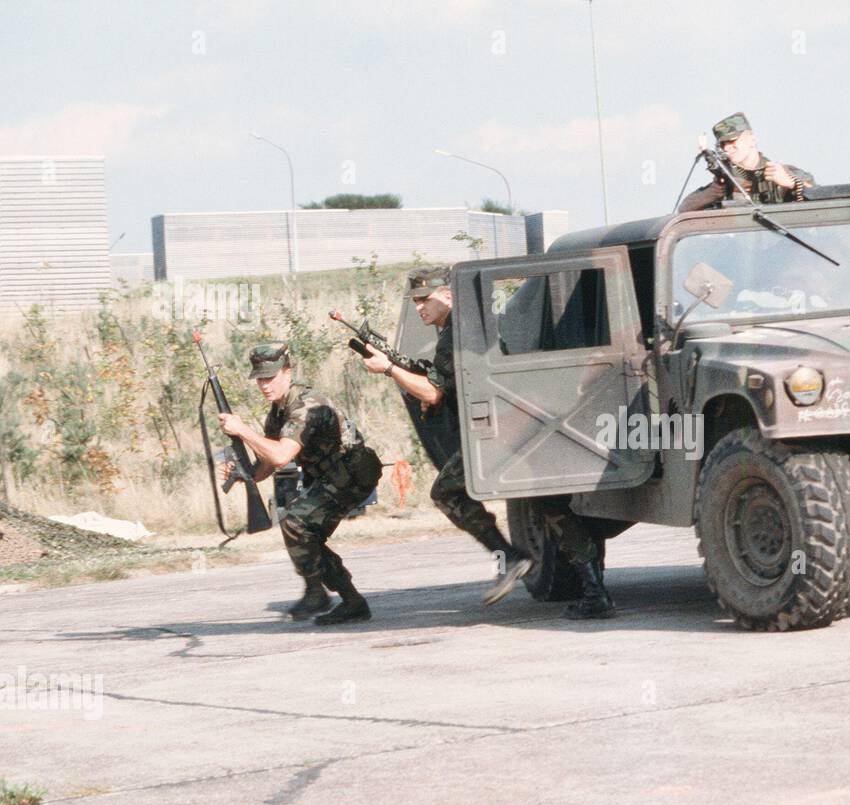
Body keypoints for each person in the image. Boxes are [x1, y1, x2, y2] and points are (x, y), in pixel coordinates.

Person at [354, 272, 615, 617]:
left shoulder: (456, 335)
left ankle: (510, 557)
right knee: (551, 507)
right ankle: (595, 593)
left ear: (446, 295)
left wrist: (389, 368)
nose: (419, 307)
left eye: (424, 298)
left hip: (499, 433)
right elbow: (448, 383)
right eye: (415, 301)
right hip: (520, 427)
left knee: (447, 493)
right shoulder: (469, 327)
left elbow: (433, 389)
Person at [219, 342, 383, 624]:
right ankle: (349, 601)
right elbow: (265, 468)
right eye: (260, 379)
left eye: (270, 378)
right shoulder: (278, 413)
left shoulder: (307, 406)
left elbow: (282, 456)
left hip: (352, 473)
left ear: (287, 372)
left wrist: (243, 430)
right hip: (330, 477)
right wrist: (239, 472)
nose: (265, 386)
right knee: (304, 530)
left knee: (296, 523)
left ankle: (319, 592)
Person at [678, 111, 815, 213]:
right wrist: (714, 192)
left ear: (752, 139)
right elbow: (685, 209)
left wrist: (791, 183)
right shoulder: (725, 181)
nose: (727, 147)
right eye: (723, 144)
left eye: (732, 140)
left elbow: (822, 198)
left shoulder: (781, 172)